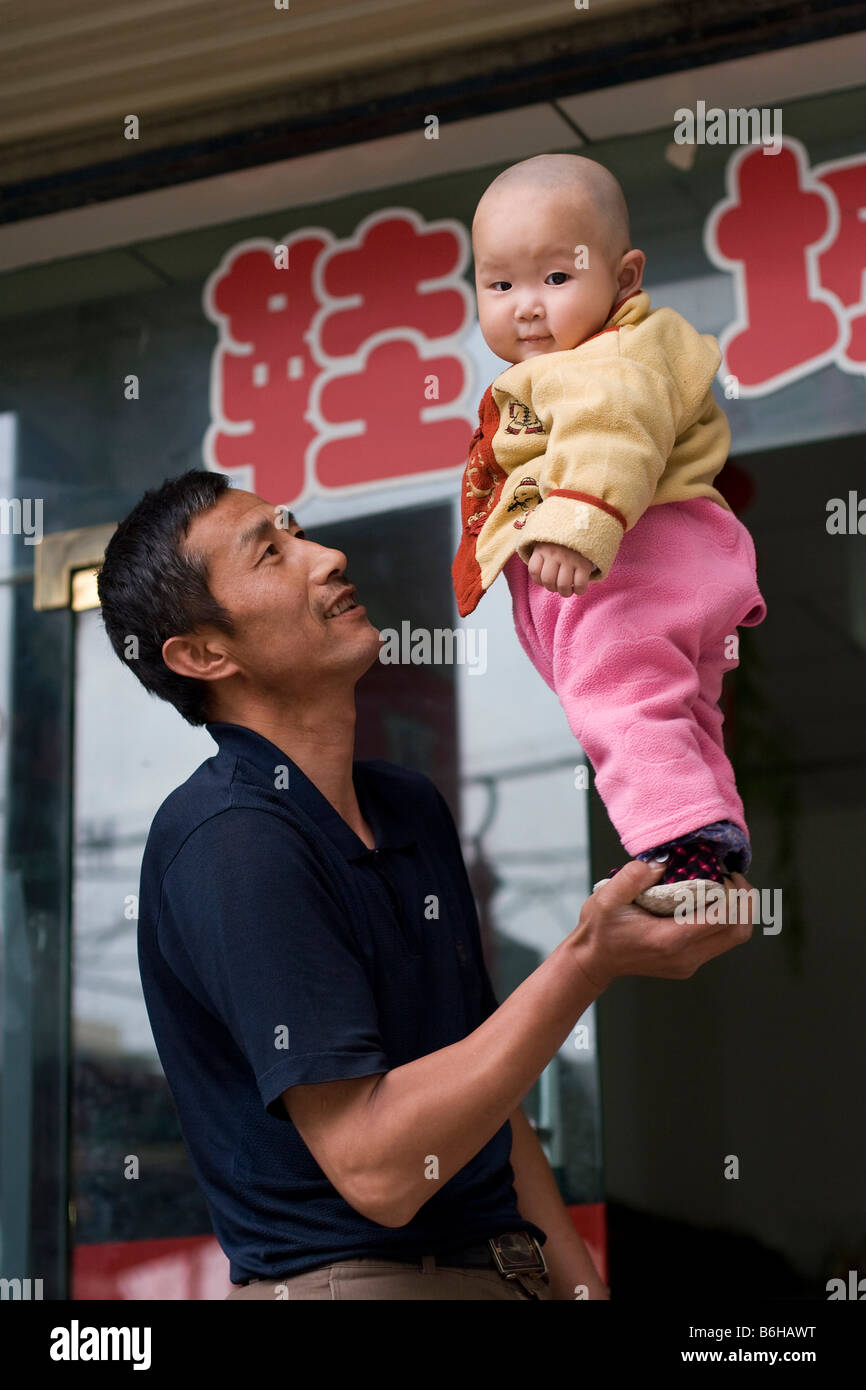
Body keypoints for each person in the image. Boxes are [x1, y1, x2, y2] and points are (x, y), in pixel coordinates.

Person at [97, 468, 754, 1301]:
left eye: (296, 530)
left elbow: (487, 1099)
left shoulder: (406, 806)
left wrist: (582, 1292)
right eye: (271, 554)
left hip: (506, 1272)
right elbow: (378, 1171)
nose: (325, 556)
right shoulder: (233, 840)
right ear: (202, 654)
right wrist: (587, 961)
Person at [452, 153, 767, 916]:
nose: (527, 306)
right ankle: (713, 853)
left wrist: (575, 524)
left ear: (624, 279)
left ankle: (677, 851)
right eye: (500, 285)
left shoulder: (609, 361)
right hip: (678, 565)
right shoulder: (619, 348)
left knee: (619, 702)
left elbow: (611, 433)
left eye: (556, 279)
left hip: (630, 561)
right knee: (682, 709)